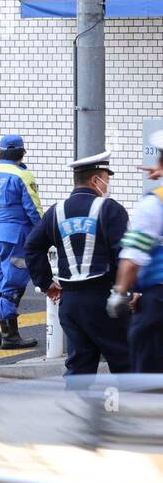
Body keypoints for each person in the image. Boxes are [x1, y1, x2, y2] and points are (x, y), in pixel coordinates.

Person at [25, 152, 130, 375]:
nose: (107, 185)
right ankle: (127, 407)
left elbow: (32, 247)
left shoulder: (56, 212)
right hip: (104, 299)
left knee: (80, 364)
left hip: (70, 302)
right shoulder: (110, 209)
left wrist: (47, 283)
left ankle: (78, 407)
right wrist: (129, 291)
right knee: (124, 360)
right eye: (106, 179)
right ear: (95, 180)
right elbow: (125, 253)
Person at [0, 134, 42, 348]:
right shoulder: (22, 175)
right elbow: (33, 210)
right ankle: (10, 336)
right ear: (21, 152)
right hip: (17, 235)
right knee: (13, 283)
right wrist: (44, 234)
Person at [109, 131, 163, 371]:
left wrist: (120, 293)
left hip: (157, 302)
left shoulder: (154, 204)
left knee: (148, 373)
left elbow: (133, 258)